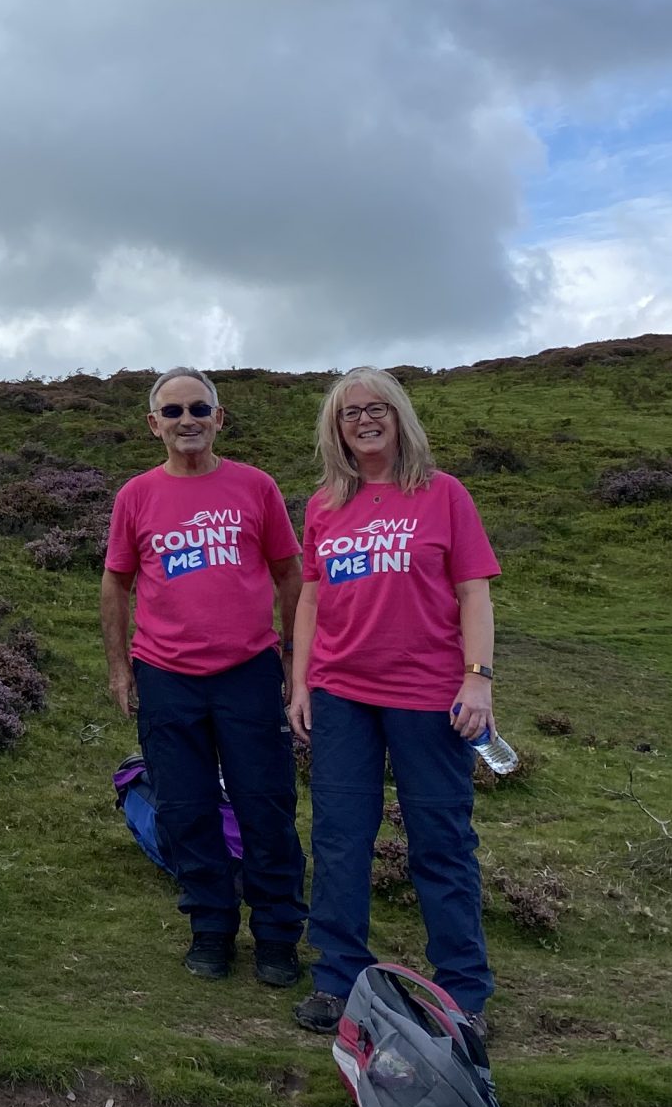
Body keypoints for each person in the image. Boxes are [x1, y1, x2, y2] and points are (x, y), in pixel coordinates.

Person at [287, 367, 502, 1038]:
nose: (365, 420)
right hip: (342, 694)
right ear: (336, 429)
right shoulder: (324, 505)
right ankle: (338, 980)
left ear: (400, 416)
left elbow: (473, 591)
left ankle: (461, 992)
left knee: (441, 840)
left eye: (377, 407)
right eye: (350, 413)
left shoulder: (444, 494)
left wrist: (478, 678)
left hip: (428, 695)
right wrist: (301, 683)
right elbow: (311, 598)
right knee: (339, 838)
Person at [101, 368, 307, 986]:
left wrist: (293, 656)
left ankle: (277, 935)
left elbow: (290, 574)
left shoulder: (256, 486)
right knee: (186, 808)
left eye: (198, 409)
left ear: (219, 418)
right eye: (172, 412)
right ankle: (210, 928)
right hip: (166, 677)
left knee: (265, 805)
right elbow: (116, 582)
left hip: (249, 672)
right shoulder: (136, 495)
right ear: (153, 424)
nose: (186, 420)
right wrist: (119, 668)